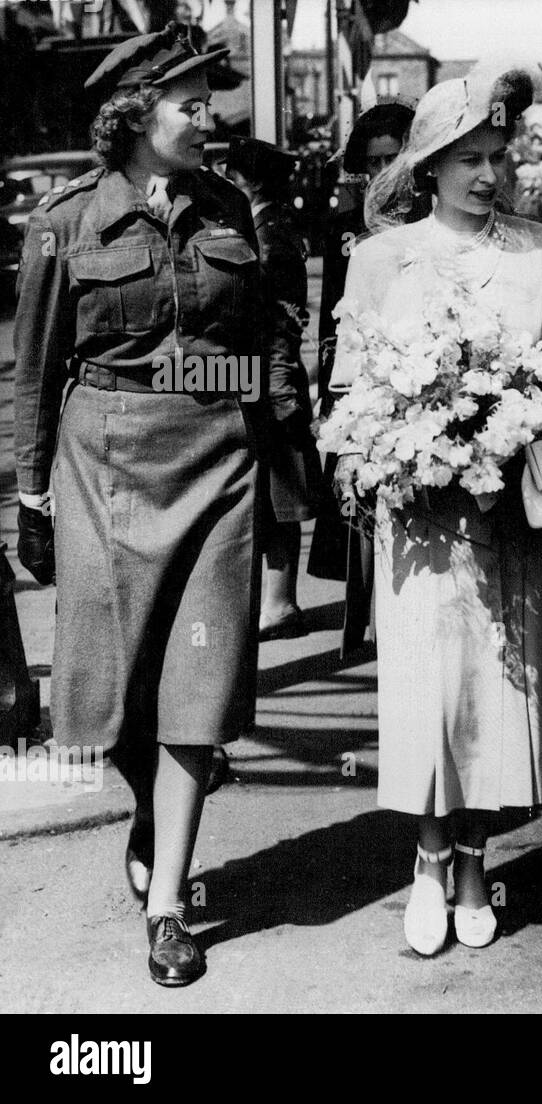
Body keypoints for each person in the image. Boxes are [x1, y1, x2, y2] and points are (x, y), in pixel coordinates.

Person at [330, 61, 542, 956]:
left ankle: (476, 858)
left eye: (498, 155)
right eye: (467, 157)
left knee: (500, 685)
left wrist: (517, 415)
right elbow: (347, 382)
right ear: (429, 166)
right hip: (420, 512)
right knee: (429, 690)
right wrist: (383, 445)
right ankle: (425, 854)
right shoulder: (380, 257)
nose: (488, 174)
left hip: (511, 506)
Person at [13, 23, 270, 987]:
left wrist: (272, 443)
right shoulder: (66, 220)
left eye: (212, 100)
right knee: (114, 694)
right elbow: (35, 373)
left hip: (216, 465)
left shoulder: (230, 206)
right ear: (132, 117)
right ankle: (147, 803)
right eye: (191, 103)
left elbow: (266, 340)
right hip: (100, 466)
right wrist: (30, 496)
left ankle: (168, 905)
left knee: (197, 685)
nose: (211, 117)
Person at [309, 98, 415, 656]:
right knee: (357, 506)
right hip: (359, 380)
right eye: (370, 164)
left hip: (416, 381)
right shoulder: (346, 227)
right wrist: (329, 394)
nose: (381, 176)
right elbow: (334, 312)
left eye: (391, 159)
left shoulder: (429, 220)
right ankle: (361, 614)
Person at [223, 136, 326, 640]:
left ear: (246, 180)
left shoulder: (269, 233)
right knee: (269, 492)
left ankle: (281, 604)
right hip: (264, 374)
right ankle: (277, 602)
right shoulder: (267, 224)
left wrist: (281, 391)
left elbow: (283, 320)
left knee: (278, 491)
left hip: (270, 375)